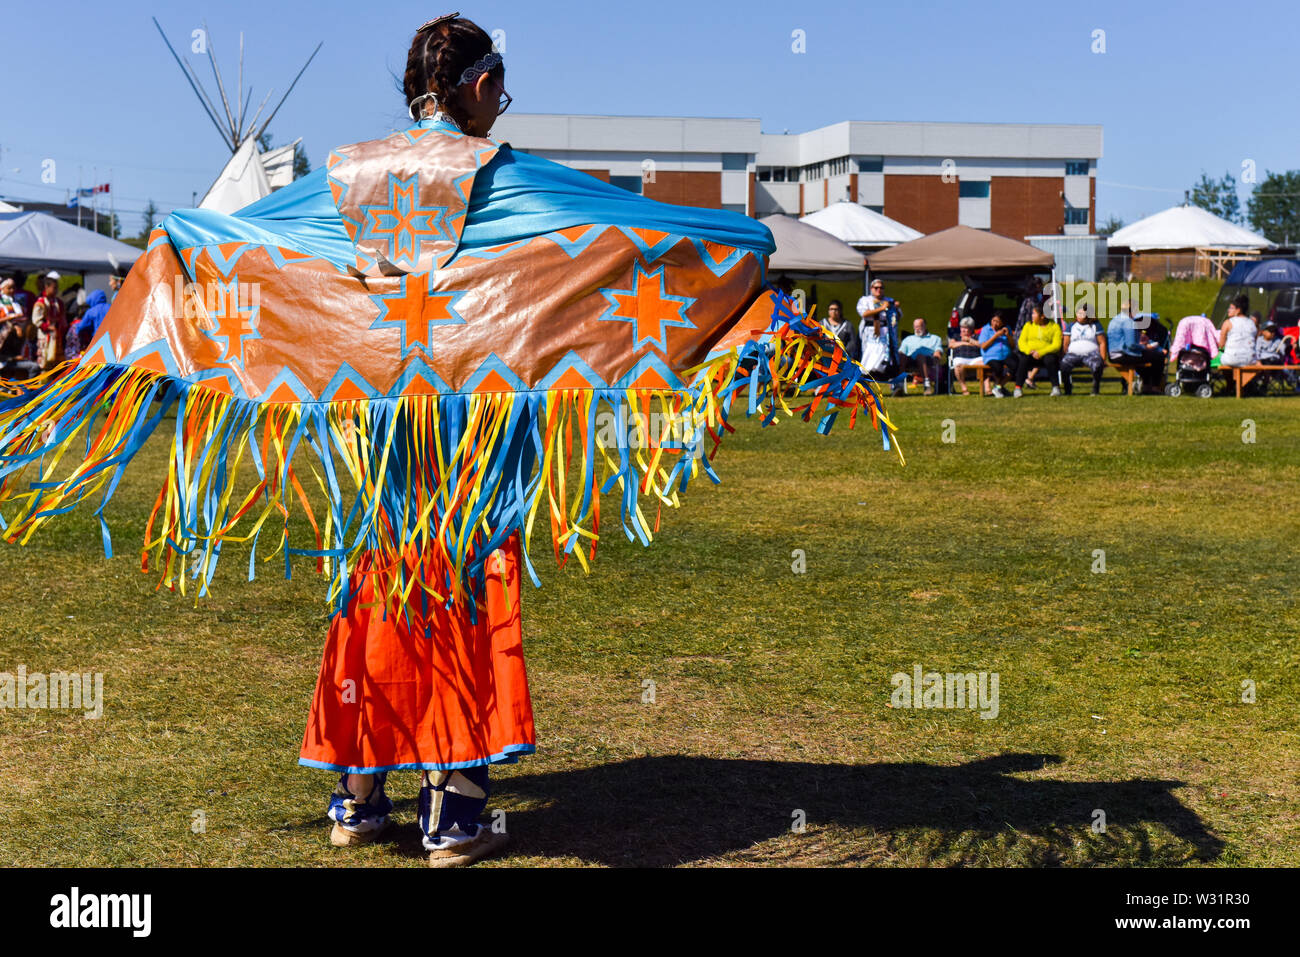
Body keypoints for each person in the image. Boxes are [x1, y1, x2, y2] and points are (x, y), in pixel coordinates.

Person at [0, 13, 898, 869]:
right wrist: (737, 242)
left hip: (378, 411)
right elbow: (629, 223)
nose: (498, 107)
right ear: (480, 86)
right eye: (497, 93)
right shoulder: (503, 174)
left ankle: (359, 799)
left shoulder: (346, 177)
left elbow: (251, 234)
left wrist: (180, 245)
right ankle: (454, 812)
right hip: (465, 410)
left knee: (382, 569)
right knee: (460, 575)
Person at [1108, 299, 1165, 394]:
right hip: (1123, 355)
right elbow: (1131, 345)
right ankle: (1153, 387)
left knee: (1145, 357)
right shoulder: (1128, 322)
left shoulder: (1115, 319)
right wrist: (1144, 347)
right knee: (1158, 356)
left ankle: (1146, 385)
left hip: (1113, 355)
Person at [1013, 302, 1062, 397]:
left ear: (1042, 316)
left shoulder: (1054, 327)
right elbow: (1021, 342)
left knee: (1050, 359)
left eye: (1034, 314)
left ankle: (1055, 388)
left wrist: (1041, 352)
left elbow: (1056, 345)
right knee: (1023, 360)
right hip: (1030, 354)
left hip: (1046, 354)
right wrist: (1030, 351)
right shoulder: (1028, 325)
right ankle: (1018, 388)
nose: (1032, 316)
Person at [1059, 304, 1108, 396]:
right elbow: (1065, 343)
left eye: (1082, 313)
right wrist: (1063, 355)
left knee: (1097, 365)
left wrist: (1103, 358)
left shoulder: (1095, 325)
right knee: (1064, 364)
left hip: (1091, 354)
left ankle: (1095, 388)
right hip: (1073, 354)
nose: (1079, 315)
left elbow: (1102, 342)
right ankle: (1067, 388)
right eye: (1078, 313)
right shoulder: (1071, 326)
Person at [898, 318, 944, 395]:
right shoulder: (908, 339)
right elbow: (901, 351)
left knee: (920, 356)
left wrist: (937, 354)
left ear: (925, 326)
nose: (917, 329)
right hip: (911, 361)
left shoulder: (935, 338)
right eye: (915, 327)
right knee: (901, 357)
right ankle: (899, 385)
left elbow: (938, 349)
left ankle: (927, 384)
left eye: (919, 326)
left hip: (928, 360)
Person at [31, 272, 66, 371]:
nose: (56, 290)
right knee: (45, 363)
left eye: (57, 288)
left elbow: (62, 318)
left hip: (57, 336)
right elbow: (36, 320)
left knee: (56, 364)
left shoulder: (58, 302)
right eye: (54, 288)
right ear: (47, 287)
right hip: (45, 336)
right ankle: (44, 385)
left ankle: (56, 384)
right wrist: (48, 327)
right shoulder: (41, 302)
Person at [1217, 293, 1257, 373]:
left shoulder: (1228, 323)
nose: (1228, 310)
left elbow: (1221, 345)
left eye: (1231, 308)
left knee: (1223, 359)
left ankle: (1230, 384)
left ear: (1238, 310)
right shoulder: (1252, 323)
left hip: (1231, 359)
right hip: (1249, 360)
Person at [977, 310, 1012, 397]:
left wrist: (1008, 336)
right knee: (998, 368)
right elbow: (983, 346)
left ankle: (998, 387)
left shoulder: (1007, 329)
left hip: (1006, 355)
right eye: (993, 321)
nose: (995, 324)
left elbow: (1013, 346)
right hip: (991, 356)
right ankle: (1000, 388)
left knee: (1015, 365)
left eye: (998, 322)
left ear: (1002, 323)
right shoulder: (986, 329)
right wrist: (995, 336)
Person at [948, 316, 983, 395]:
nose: (963, 330)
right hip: (961, 358)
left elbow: (981, 345)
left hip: (975, 358)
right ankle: (964, 388)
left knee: (984, 364)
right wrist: (965, 343)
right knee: (958, 365)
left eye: (966, 328)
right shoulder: (956, 336)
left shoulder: (977, 336)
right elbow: (951, 345)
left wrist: (970, 340)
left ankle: (986, 388)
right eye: (962, 327)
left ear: (971, 328)